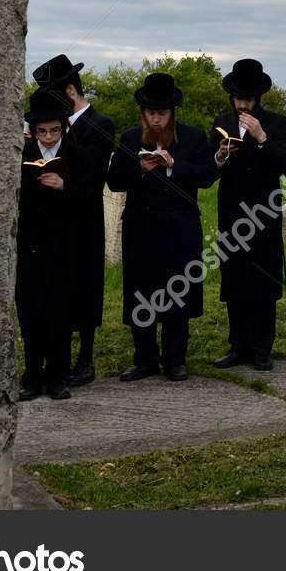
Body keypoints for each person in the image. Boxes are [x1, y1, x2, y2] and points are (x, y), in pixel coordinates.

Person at [106, 72, 216, 382]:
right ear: (143, 113)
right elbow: (114, 181)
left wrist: (173, 166)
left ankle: (175, 360)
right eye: (151, 113)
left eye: (162, 113)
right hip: (141, 229)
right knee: (142, 292)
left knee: (177, 292)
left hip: (180, 229)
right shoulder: (129, 138)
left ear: (172, 113)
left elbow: (207, 175)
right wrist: (138, 168)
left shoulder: (192, 137)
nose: (156, 119)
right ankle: (145, 359)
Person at [33, 53, 115, 387]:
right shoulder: (47, 125)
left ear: (69, 92)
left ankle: (86, 357)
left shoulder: (100, 124)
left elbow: (94, 174)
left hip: (83, 218)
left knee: (85, 288)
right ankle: (56, 357)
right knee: (55, 290)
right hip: (50, 222)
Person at [210, 59, 286, 371]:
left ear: (258, 98)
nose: (242, 104)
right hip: (231, 211)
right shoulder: (221, 121)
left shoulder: (275, 122)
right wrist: (219, 155)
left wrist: (262, 138)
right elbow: (209, 168)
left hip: (263, 213)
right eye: (238, 98)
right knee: (235, 279)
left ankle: (262, 349)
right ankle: (238, 346)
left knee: (262, 281)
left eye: (248, 99)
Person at [16, 88, 93, 402]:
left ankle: (58, 375)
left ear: (64, 127)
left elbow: (89, 197)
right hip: (31, 245)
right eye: (41, 131)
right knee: (31, 311)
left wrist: (65, 186)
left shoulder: (78, 155)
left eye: (54, 130)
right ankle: (32, 375)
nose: (47, 137)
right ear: (32, 130)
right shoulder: (21, 155)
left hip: (65, 245)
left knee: (59, 312)